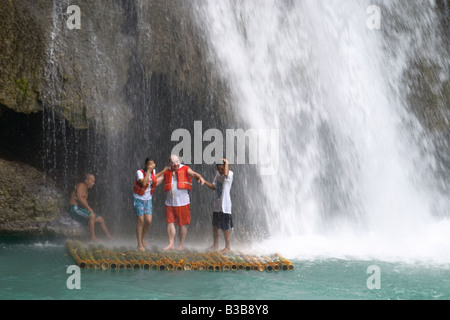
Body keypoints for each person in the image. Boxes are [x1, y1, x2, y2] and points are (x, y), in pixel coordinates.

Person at [156, 155, 205, 251]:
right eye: (173, 163)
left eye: (177, 162)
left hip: (183, 203)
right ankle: (171, 243)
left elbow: (194, 174)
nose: (176, 165)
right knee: (170, 222)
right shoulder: (167, 171)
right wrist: (149, 183)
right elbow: (158, 181)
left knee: (182, 224)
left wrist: (200, 177)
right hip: (169, 202)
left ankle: (181, 244)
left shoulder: (185, 168)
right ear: (170, 163)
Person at [133, 158, 167, 252]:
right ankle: (139, 243)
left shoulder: (153, 171)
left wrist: (163, 171)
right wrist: (148, 171)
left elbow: (153, 178)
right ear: (145, 165)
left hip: (148, 200)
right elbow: (144, 183)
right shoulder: (139, 172)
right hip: (139, 199)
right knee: (140, 221)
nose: (151, 166)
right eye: (149, 164)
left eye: (153, 164)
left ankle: (142, 238)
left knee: (148, 221)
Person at [69, 173, 113, 242]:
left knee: (100, 219)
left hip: (80, 209)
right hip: (75, 209)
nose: (93, 183)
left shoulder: (86, 189)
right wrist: (89, 208)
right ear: (87, 180)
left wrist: (88, 209)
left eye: (94, 181)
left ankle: (109, 237)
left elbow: (84, 201)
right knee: (92, 216)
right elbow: (80, 198)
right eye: (92, 181)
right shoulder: (81, 185)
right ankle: (93, 237)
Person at [204, 158, 234, 253]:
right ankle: (215, 245)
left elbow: (225, 174)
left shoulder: (230, 174)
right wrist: (204, 182)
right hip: (218, 204)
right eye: (218, 169)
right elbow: (214, 186)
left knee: (225, 227)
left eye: (222, 169)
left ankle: (228, 247)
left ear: (225, 167)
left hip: (225, 205)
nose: (220, 171)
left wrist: (227, 162)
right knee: (215, 226)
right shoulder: (217, 174)